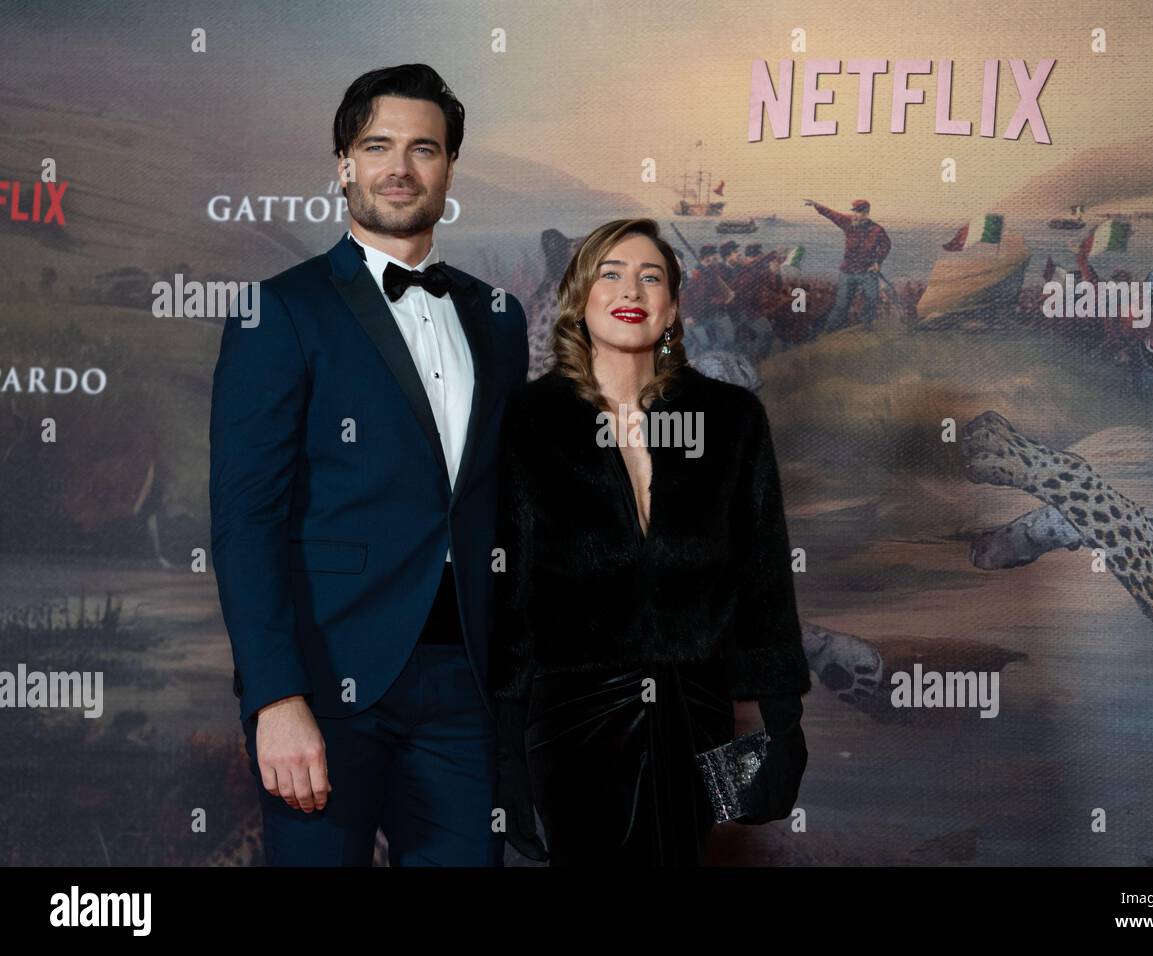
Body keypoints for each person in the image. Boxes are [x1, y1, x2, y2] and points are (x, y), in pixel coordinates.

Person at [209, 64, 529, 865]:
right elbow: (246, 520)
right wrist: (275, 698)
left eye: (424, 148)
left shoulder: (499, 317)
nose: (400, 167)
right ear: (343, 163)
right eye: (377, 145)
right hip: (326, 681)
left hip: (467, 685)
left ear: (450, 167)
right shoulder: (280, 310)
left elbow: (505, 503)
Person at [490, 218, 811, 866]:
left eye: (650, 276)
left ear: (671, 307)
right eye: (609, 273)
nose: (629, 288)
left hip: (699, 716)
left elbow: (764, 583)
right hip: (571, 723)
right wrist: (504, 754)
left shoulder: (731, 420)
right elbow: (510, 596)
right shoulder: (531, 420)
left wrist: (785, 727)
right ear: (580, 298)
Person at [805, 198, 891, 333]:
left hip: (867, 272)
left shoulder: (877, 230)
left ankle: (867, 326)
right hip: (847, 271)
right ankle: (830, 330)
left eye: (859, 212)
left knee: (872, 299)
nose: (855, 215)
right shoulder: (848, 222)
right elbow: (832, 214)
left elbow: (886, 245)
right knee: (842, 304)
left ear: (866, 213)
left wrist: (877, 262)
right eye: (854, 211)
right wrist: (817, 206)